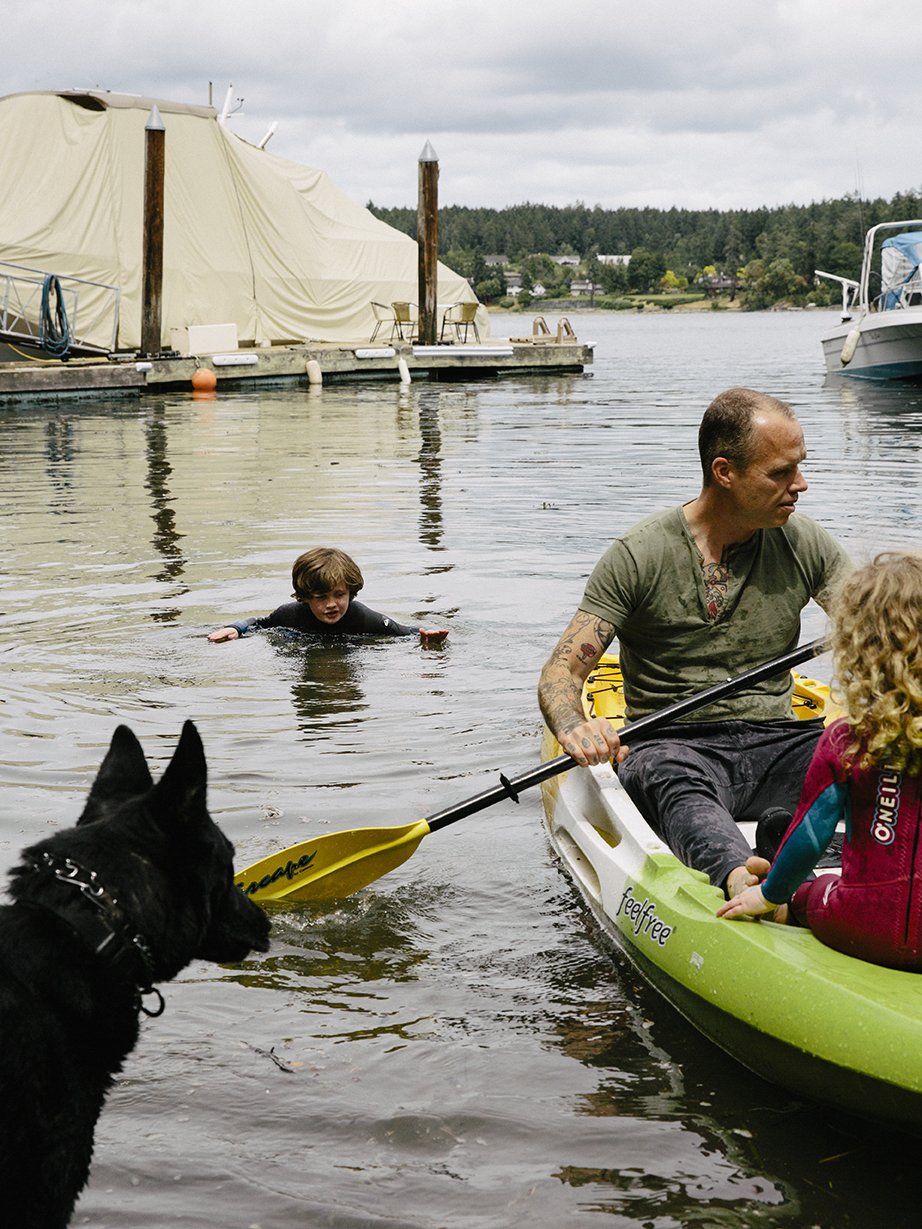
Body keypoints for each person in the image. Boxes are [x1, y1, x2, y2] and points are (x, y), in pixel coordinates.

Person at [537, 387, 850, 899]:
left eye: (799, 467)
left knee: (867, 757)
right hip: (675, 742)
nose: (801, 484)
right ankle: (739, 876)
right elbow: (562, 673)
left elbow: (882, 633)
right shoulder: (639, 555)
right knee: (672, 778)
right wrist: (574, 726)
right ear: (724, 472)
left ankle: (810, 853)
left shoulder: (804, 542)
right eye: (780, 473)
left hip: (779, 740)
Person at [718, 552, 922, 969]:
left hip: (860, 922)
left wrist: (768, 894)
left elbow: (811, 836)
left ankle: (783, 906)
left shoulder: (846, 739)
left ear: (855, 646)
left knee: (816, 887)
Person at [208, 546, 448, 646]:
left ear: (351, 592)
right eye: (321, 597)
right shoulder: (290, 615)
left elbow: (404, 632)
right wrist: (236, 629)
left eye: (339, 594)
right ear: (305, 597)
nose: (332, 604)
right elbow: (260, 624)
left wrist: (426, 639)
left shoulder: (363, 618)